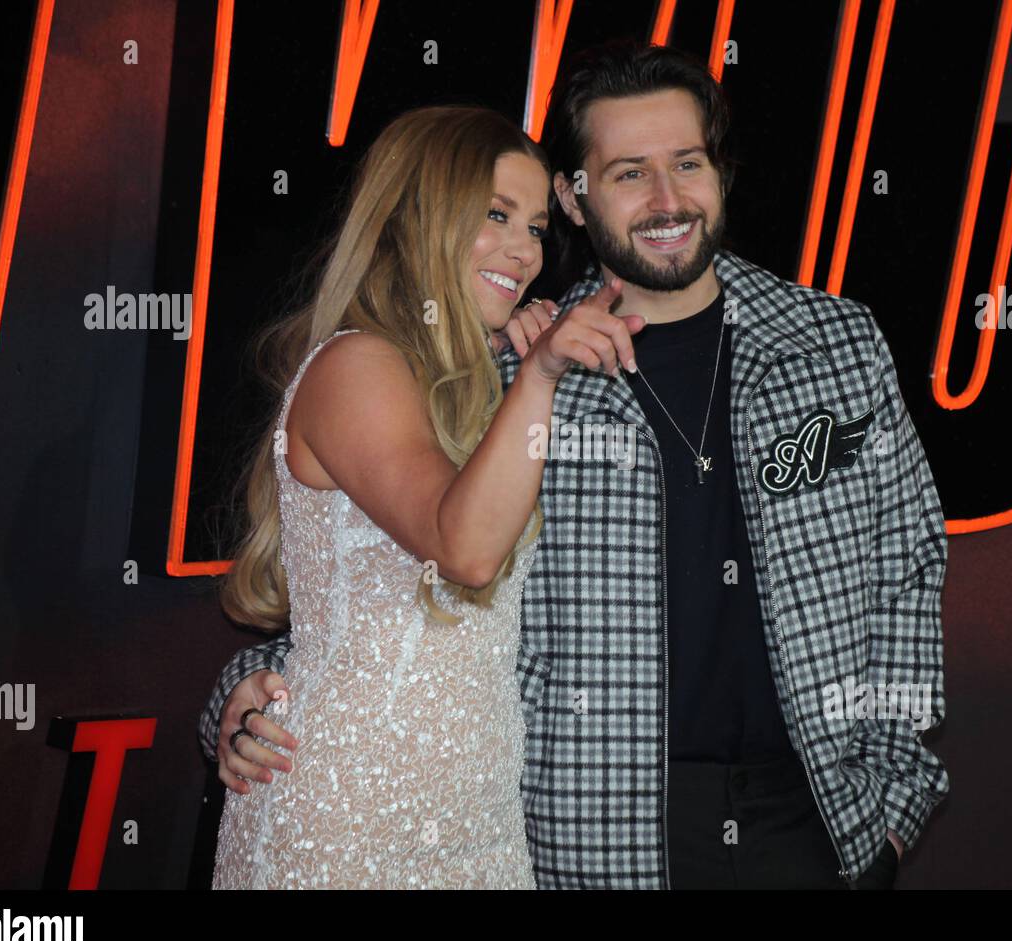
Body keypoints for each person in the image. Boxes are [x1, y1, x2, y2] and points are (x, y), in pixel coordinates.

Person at [202, 42, 948, 890]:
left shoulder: (837, 345)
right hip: (588, 839)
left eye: (688, 163)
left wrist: (890, 802)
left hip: (814, 819)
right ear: (576, 194)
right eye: (630, 173)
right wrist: (246, 686)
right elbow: (384, 584)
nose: (668, 200)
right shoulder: (508, 371)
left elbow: (909, 565)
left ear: (721, 172)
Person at [209, 104, 643, 889]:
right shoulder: (356, 366)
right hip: (347, 825)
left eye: (538, 227)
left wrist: (524, 374)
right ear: (418, 217)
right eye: (495, 215)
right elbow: (466, 549)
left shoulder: (476, 379)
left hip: (481, 823)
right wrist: (540, 373)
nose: (524, 250)